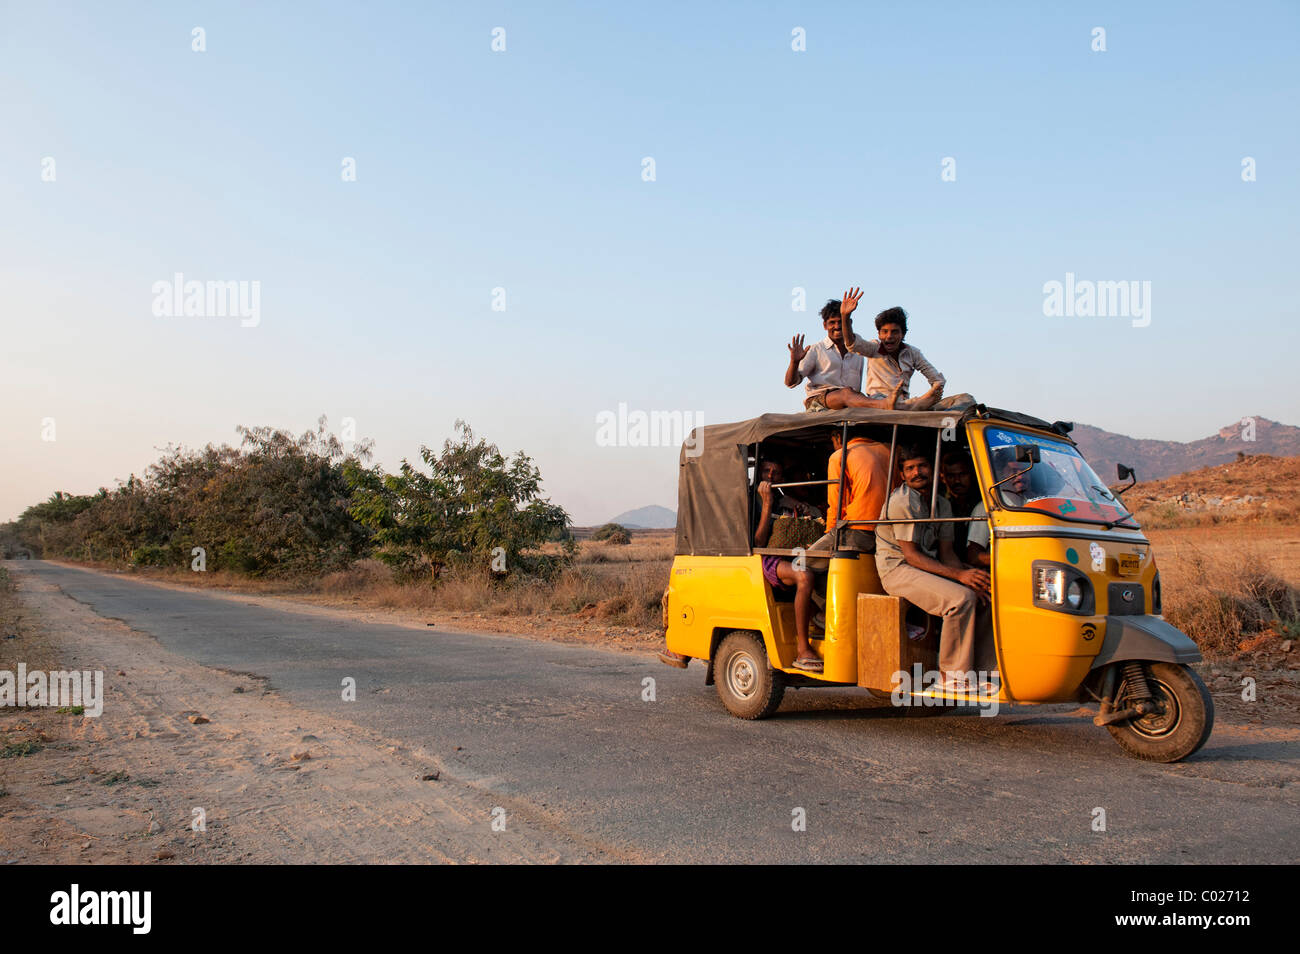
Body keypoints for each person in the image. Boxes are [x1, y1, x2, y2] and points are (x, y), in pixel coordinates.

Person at [658, 459, 826, 672]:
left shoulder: (784, 500)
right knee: (804, 577)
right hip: (763, 559)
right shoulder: (746, 500)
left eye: (776, 473)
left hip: (788, 554)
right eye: (767, 471)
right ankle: (803, 649)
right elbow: (758, 542)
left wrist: (802, 512)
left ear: (782, 479)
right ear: (759, 473)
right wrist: (766, 505)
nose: (771, 476)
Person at [874, 444, 994, 694]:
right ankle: (950, 676)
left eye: (922, 466)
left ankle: (982, 672)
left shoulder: (941, 503)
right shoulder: (902, 501)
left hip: (925, 567)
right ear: (903, 474)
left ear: (934, 469)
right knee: (960, 599)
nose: (917, 472)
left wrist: (969, 577)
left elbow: (947, 553)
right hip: (898, 569)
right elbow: (912, 556)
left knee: (984, 594)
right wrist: (961, 576)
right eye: (910, 469)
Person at [785, 288, 904, 411]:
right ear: (825, 325)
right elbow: (790, 383)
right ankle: (883, 405)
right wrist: (794, 362)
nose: (837, 326)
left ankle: (891, 404)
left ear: (849, 322)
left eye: (840, 322)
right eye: (832, 323)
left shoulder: (859, 351)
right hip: (819, 400)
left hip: (850, 400)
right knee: (846, 393)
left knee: (860, 396)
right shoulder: (816, 350)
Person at [843, 304, 973, 411]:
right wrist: (845, 316)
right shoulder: (874, 348)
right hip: (880, 402)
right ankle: (915, 405)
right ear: (879, 334)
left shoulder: (912, 352)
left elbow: (936, 379)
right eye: (885, 332)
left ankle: (919, 406)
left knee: (966, 399)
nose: (889, 336)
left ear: (903, 334)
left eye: (894, 332)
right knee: (889, 404)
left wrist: (936, 389)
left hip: (907, 403)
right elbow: (852, 344)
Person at [939, 454, 980, 555]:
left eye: (962, 475)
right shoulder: (938, 505)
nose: (957, 480)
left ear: (973, 475)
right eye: (951, 476)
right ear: (942, 478)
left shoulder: (983, 503)